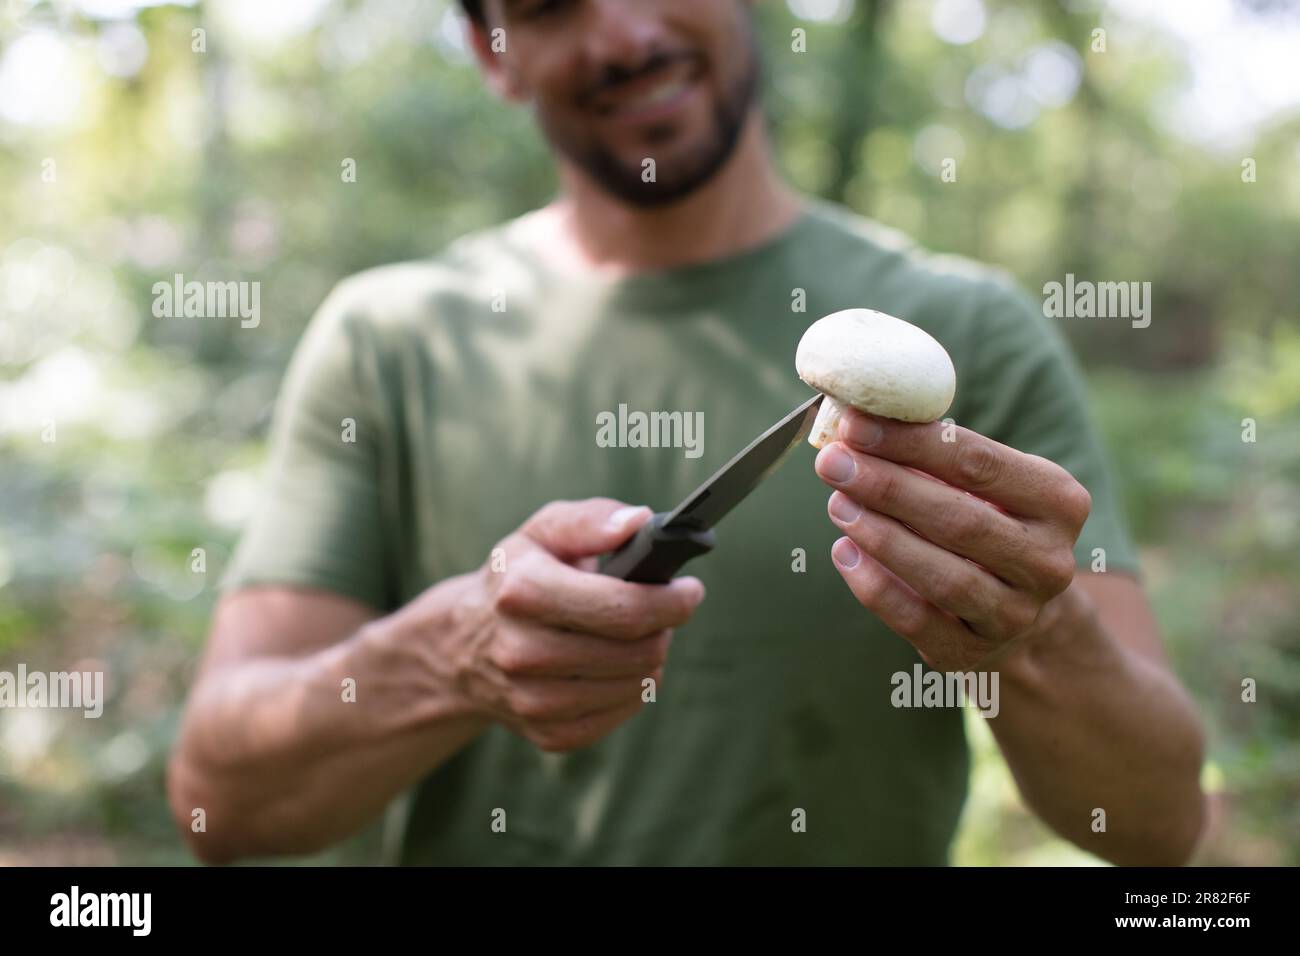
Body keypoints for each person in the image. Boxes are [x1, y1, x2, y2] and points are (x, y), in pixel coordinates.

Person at [168, 0, 1206, 865]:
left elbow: (1158, 824)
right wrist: (450, 657)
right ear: (493, 48)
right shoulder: (389, 340)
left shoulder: (968, 332)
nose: (622, 32)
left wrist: (1033, 636)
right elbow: (219, 802)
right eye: (549, 2)